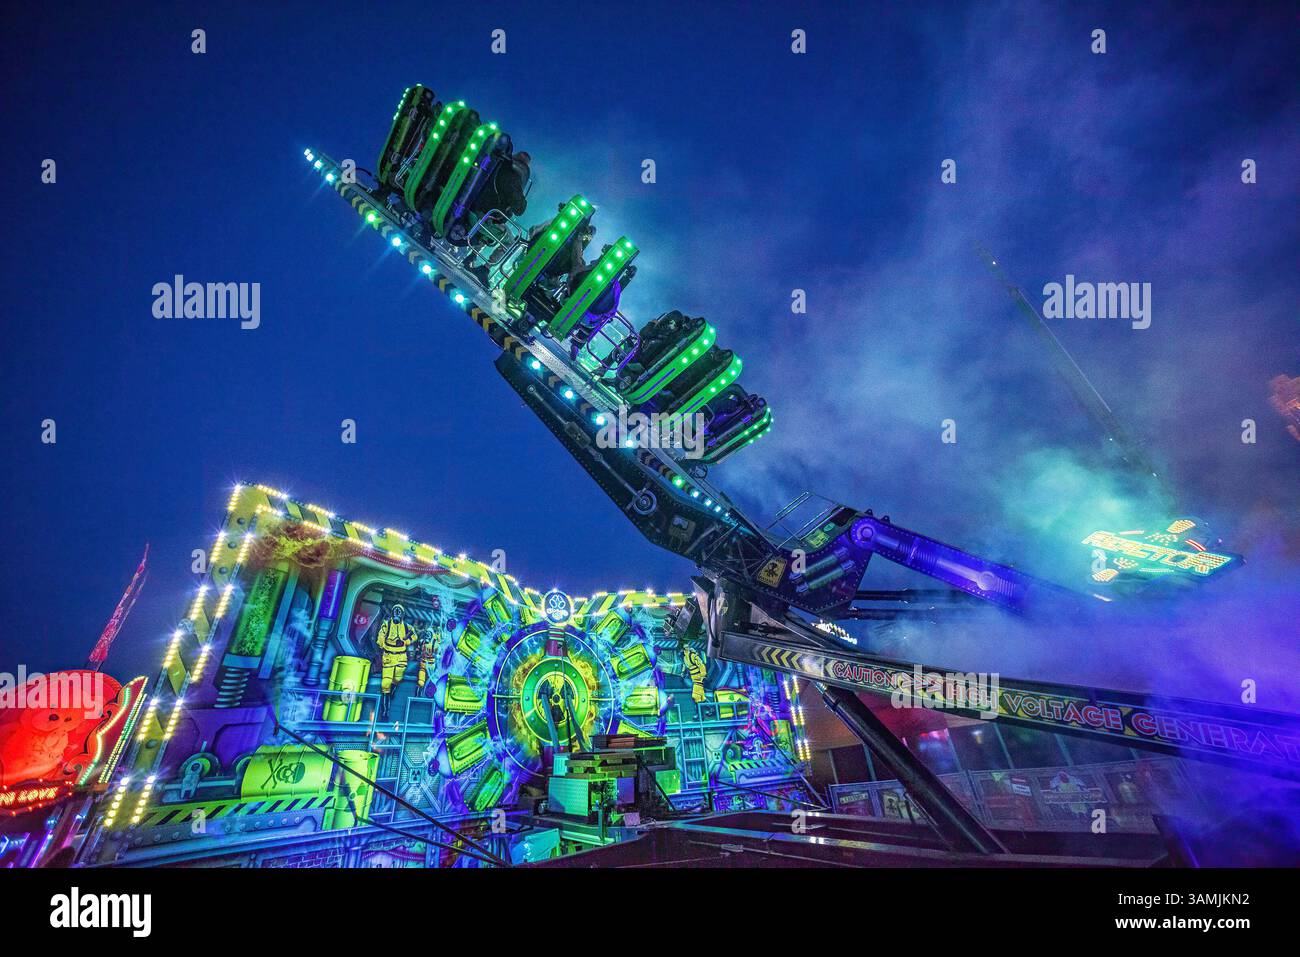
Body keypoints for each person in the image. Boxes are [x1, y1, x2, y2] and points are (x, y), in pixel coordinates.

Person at [374, 604, 418, 719]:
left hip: (401, 656)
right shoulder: (386, 624)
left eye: (399, 611)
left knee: (398, 678)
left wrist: (405, 642)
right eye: (395, 610)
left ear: (402, 614)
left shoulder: (406, 626)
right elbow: (380, 636)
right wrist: (382, 645)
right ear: (392, 612)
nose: (397, 613)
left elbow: (415, 636)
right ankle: (385, 711)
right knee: (385, 683)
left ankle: (393, 688)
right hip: (388, 655)